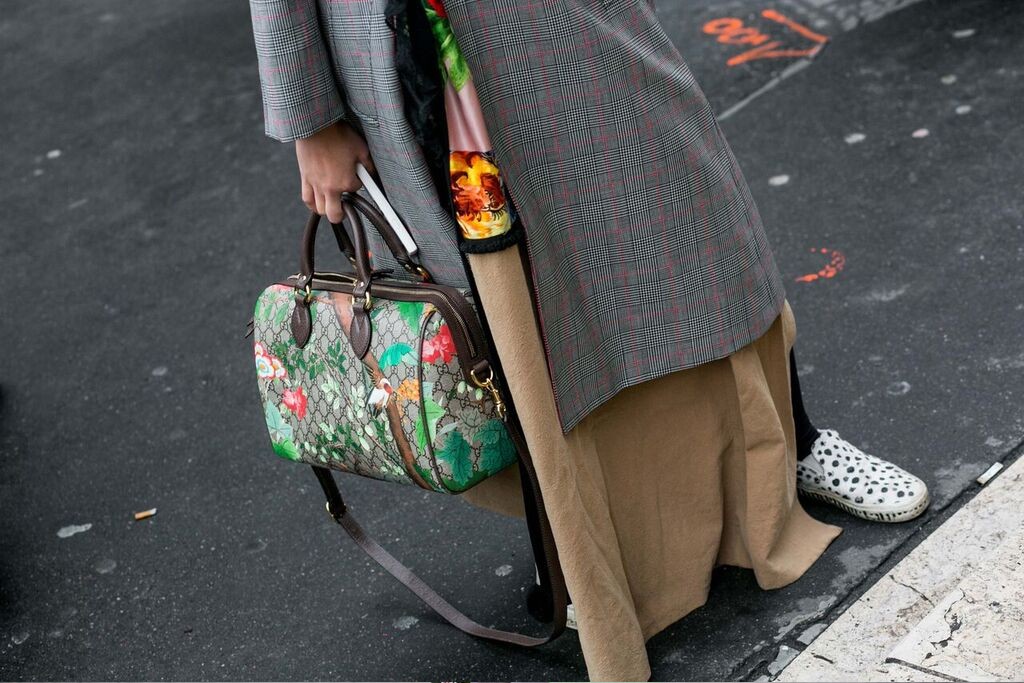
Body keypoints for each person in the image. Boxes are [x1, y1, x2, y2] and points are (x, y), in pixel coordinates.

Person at [248, 1, 929, 679]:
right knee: (522, 300)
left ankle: (797, 441)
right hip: (422, 36)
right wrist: (310, 118)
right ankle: (582, 546)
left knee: (697, 207)